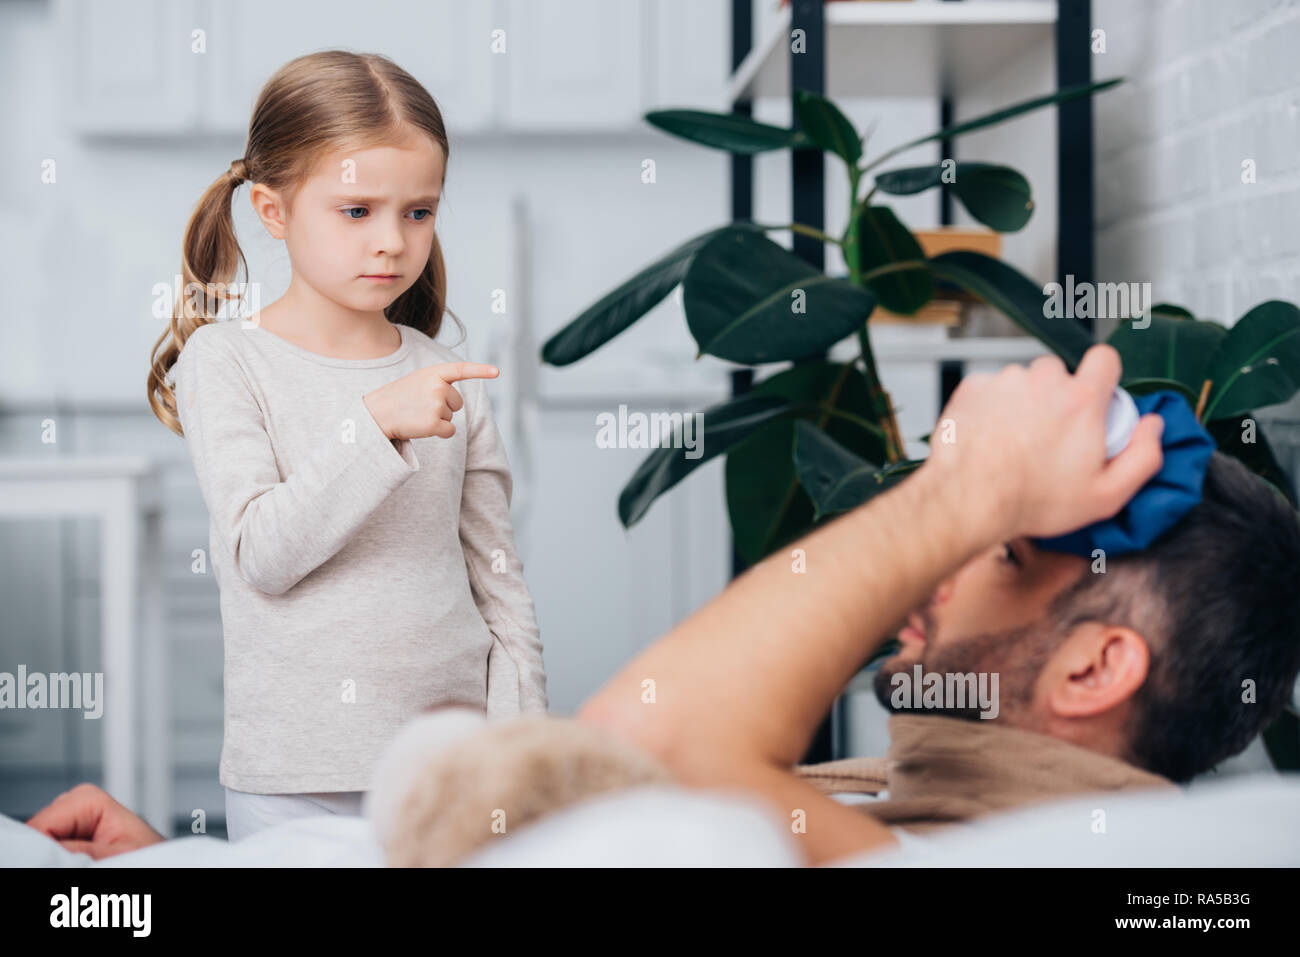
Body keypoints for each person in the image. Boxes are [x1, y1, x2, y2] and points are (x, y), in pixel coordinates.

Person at [36, 345, 1300, 865]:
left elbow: (646, 754)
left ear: (1094, 670)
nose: (936, 573)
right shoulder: (911, 804)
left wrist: (964, 488)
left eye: (1001, 549)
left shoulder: (973, 864)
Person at [144, 51, 547, 841]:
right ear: (272, 209)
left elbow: (500, 582)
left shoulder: (445, 374)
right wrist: (375, 424)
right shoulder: (228, 362)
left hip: (450, 765)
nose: (392, 242)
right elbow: (262, 551)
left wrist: (524, 741)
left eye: (419, 212)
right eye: (357, 211)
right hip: (295, 777)